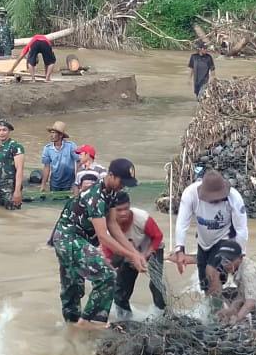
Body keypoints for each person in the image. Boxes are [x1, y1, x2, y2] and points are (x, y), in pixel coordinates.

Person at [49, 158, 147, 329]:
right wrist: (131, 255)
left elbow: (113, 225)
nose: (123, 186)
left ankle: (76, 326)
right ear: (110, 175)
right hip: (67, 237)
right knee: (105, 276)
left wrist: (135, 252)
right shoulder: (95, 197)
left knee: (73, 286)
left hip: (79, 239)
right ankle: (87, 322)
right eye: (122, 181)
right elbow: (103, 236)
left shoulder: (112, 193)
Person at [173, 170, 249, 292]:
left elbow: (242, 229)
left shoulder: (234, 198)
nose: (215, 200)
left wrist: (239, 255)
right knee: (204, 283)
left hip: (225, 239)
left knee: (212, 272)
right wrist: (180, 250)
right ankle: (212, 305)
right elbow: (182, 224)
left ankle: (217, 308)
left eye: (219, 197)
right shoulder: (190, 194)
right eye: (212, 198)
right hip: (203, 242)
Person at [102, 191, 166, 319]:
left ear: (130, 205)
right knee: (121, 289)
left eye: (126, 208)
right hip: (126, 254)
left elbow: (158, 236)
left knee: (156, 283)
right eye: (119, 210)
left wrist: (146, 255)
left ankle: (161, 315)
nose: (123, 213)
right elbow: (109, 258)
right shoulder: (106, 228)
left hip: (151, 248)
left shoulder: (142, 218)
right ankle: (125, 319)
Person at [205, 240, 256, 323]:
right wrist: (231, 310)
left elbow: (251, 302)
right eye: (223, 260)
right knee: (228, 293)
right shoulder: (238, 267)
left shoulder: (248, 272)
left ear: (241, 258)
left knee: (240, 322)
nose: (226, 265)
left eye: (229, 260)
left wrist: (236, 319)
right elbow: (242, 294)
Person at [0, 120, 24, 210]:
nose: (1, 133)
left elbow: (20, 169)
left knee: (12, 217)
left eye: (4, 130)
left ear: (9, 131)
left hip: (9, 189)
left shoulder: (15, 147)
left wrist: (17, 191)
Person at [40, 121, 79, 192]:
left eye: (54, 133)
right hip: (54, 183)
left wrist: (76, 183)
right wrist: (43, 184)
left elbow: (79, 162)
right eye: (51, 132)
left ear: (61, 135)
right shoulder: (47, 148)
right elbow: (46, 167)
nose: (51, 135)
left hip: (69, 183)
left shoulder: (71, 146)